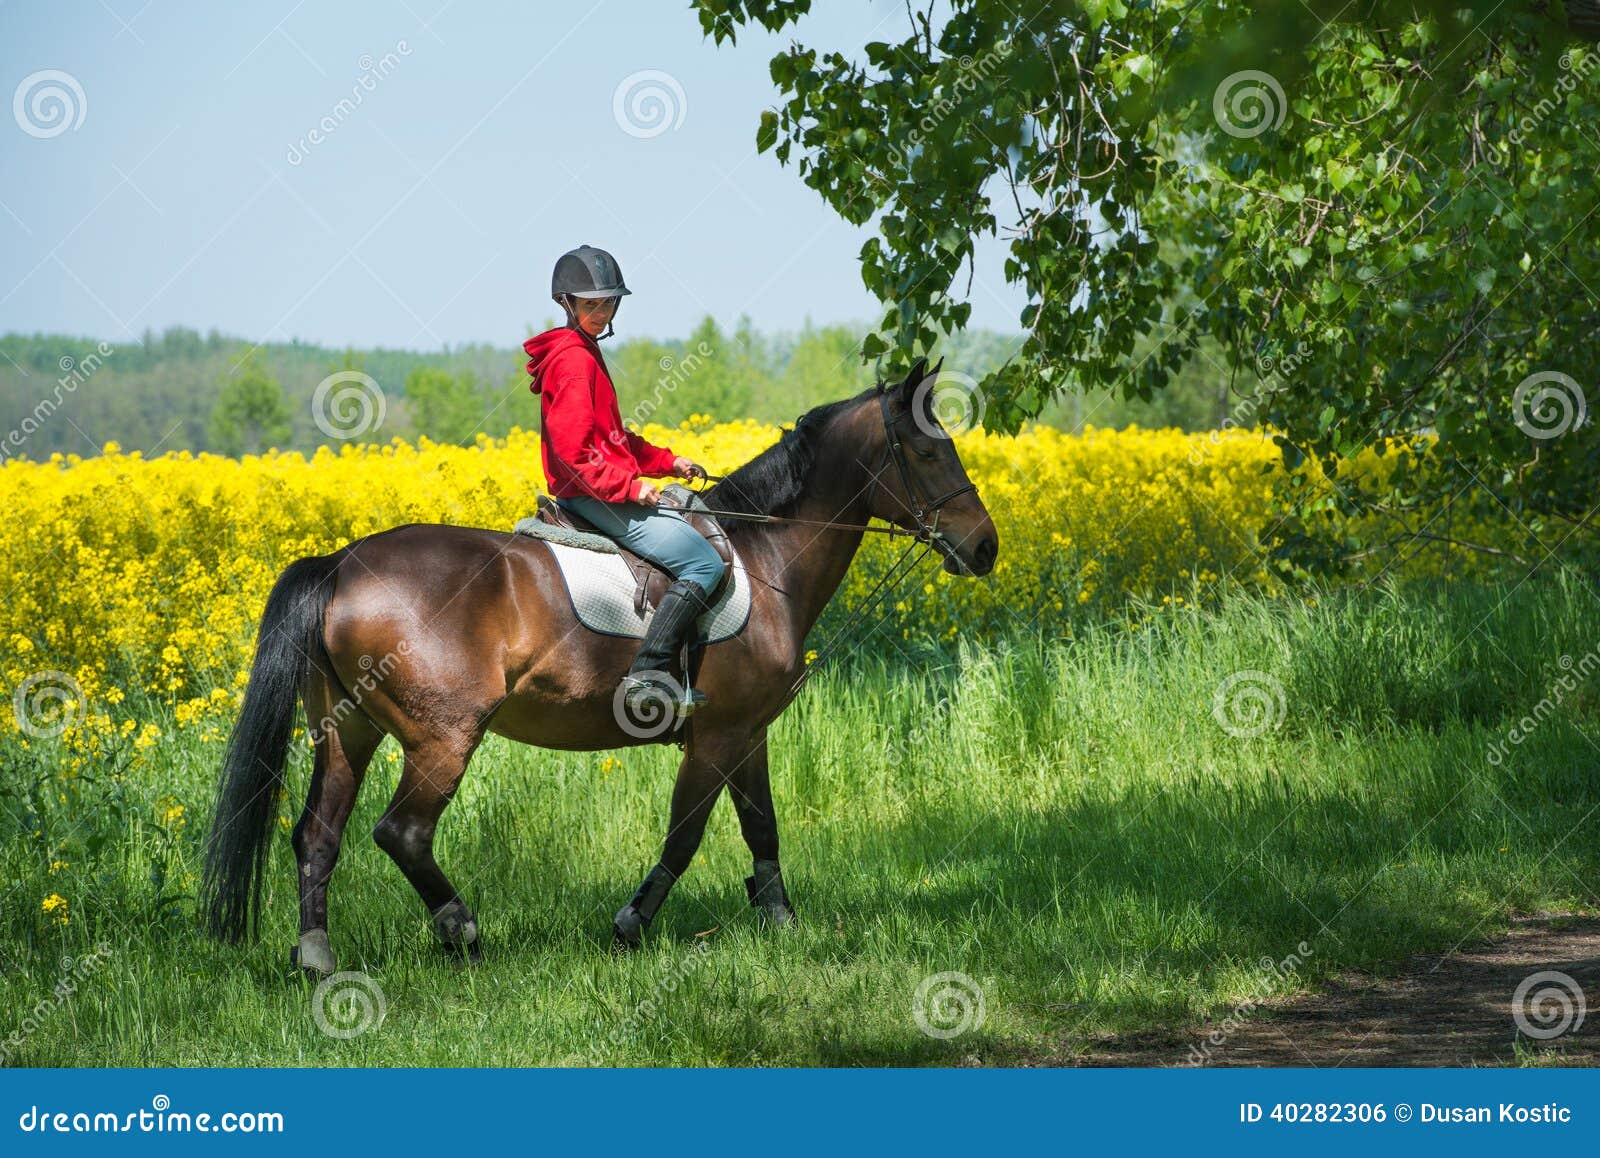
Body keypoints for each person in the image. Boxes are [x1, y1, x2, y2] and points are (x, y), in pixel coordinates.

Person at [522, 244, 724, 716]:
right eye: (590, 304)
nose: (601, 313)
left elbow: (613, 439)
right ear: (567, 303)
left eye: (609, 303)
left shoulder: (583, 351)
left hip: (599, 490)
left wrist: (668, 462)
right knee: (704, 564)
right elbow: (574, 455)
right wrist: (630, 488)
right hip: (594, 496)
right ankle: (647, 675)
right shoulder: (574, 360)